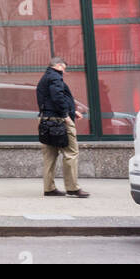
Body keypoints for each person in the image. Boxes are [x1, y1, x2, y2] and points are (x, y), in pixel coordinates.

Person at [37, 56, 89, 198]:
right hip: (59, 121)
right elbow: (57, 96)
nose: (64, 72)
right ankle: (72, 188)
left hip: (46, 121)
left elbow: (49, 100)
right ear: (59, 66)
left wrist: (73, 111)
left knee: (50, 156)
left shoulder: (45, 77)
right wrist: (66, 115)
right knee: (71, 153)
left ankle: (49, 188)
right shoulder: (55, 77)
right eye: (64, 68)